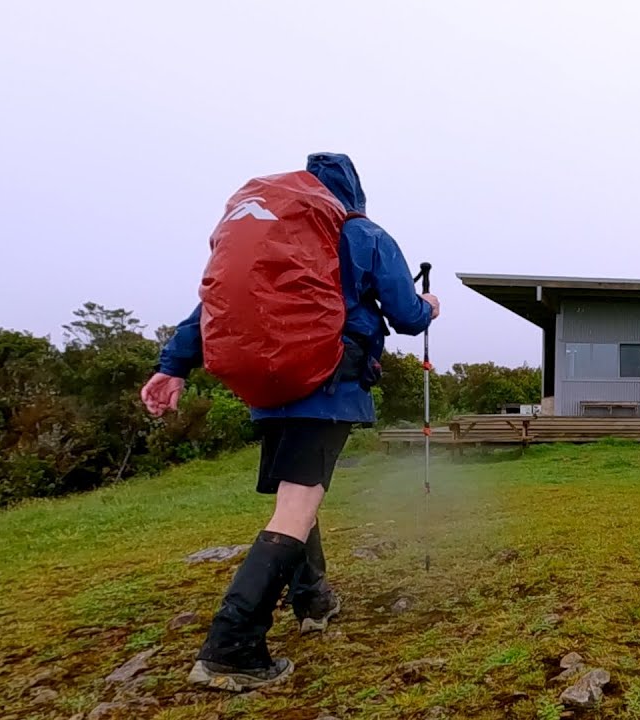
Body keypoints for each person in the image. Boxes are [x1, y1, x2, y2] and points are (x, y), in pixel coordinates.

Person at [141, 152, 439, 692]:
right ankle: (231, 649)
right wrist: (429, 305)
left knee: (298, 497)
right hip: (326, 383)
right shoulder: (362, 231)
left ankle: (313, 599)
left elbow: (208, 307)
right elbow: (405, 314)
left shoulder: (273, 232)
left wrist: (173, 367)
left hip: (267, 384)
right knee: (297, 505)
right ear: (353, 192)